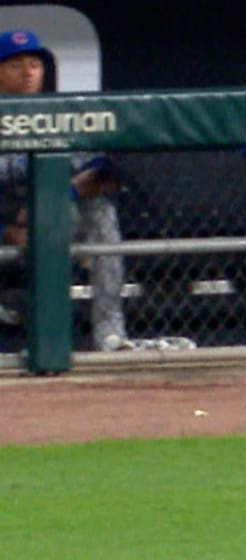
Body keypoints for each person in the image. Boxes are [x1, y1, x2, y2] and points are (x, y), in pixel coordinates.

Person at [0, 29, 129, 352]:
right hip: (6, 230)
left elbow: (103, 175)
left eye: (34, 63)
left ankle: (109, 333)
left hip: (52, 225)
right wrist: (6, 231)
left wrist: (56, 200)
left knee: (101, 213)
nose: (29, 72)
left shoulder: (61, 115)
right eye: (16, 65)